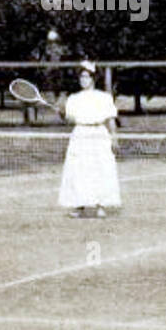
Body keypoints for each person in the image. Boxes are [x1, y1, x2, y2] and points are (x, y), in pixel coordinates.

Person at [56, 60, 120, 218]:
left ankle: (101, 205)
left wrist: (114, 138)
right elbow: (69, 119)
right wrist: (60, 111)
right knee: (78, 169)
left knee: (101, 169)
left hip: (99, 134)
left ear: (93, 79)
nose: (83, 80)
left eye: (86, 76)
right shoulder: (73, 98)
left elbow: (110, 119)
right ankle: (78, 205)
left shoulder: (104, 97)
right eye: (81, 77)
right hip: (80, 134)